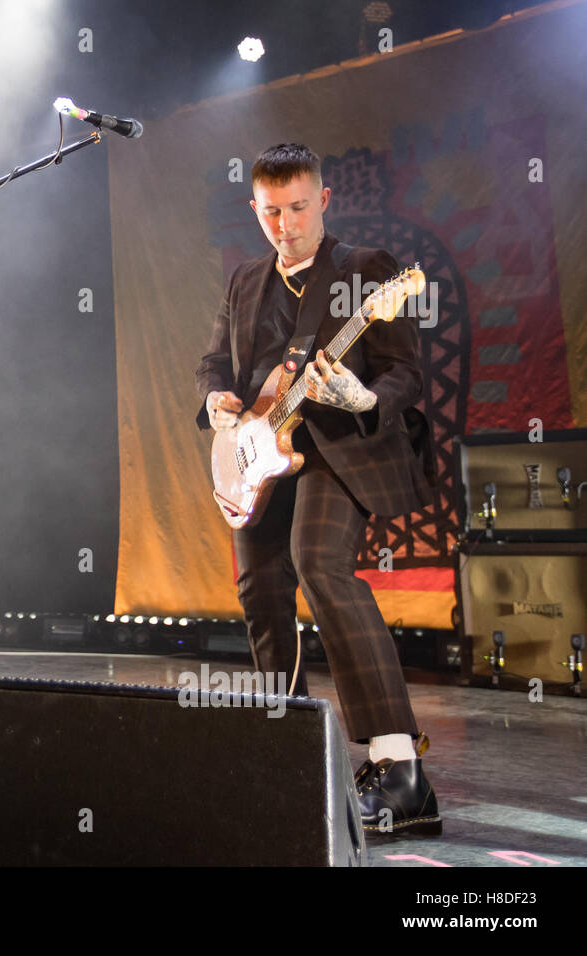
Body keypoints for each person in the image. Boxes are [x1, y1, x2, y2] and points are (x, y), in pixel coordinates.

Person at [195, 144, 440, 835]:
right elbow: (214, 363)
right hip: (259, 454)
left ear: (323, 201)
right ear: (255, 208)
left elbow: (406, 375)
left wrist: (363, 398)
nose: (286, 224)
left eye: (299, 207)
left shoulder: (366, 271)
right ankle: (292, 751)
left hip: (340, 450)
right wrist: (217, 400)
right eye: (271, 211)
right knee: (259, 591)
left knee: (319, 562)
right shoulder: (245, 281)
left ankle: (401, 772)